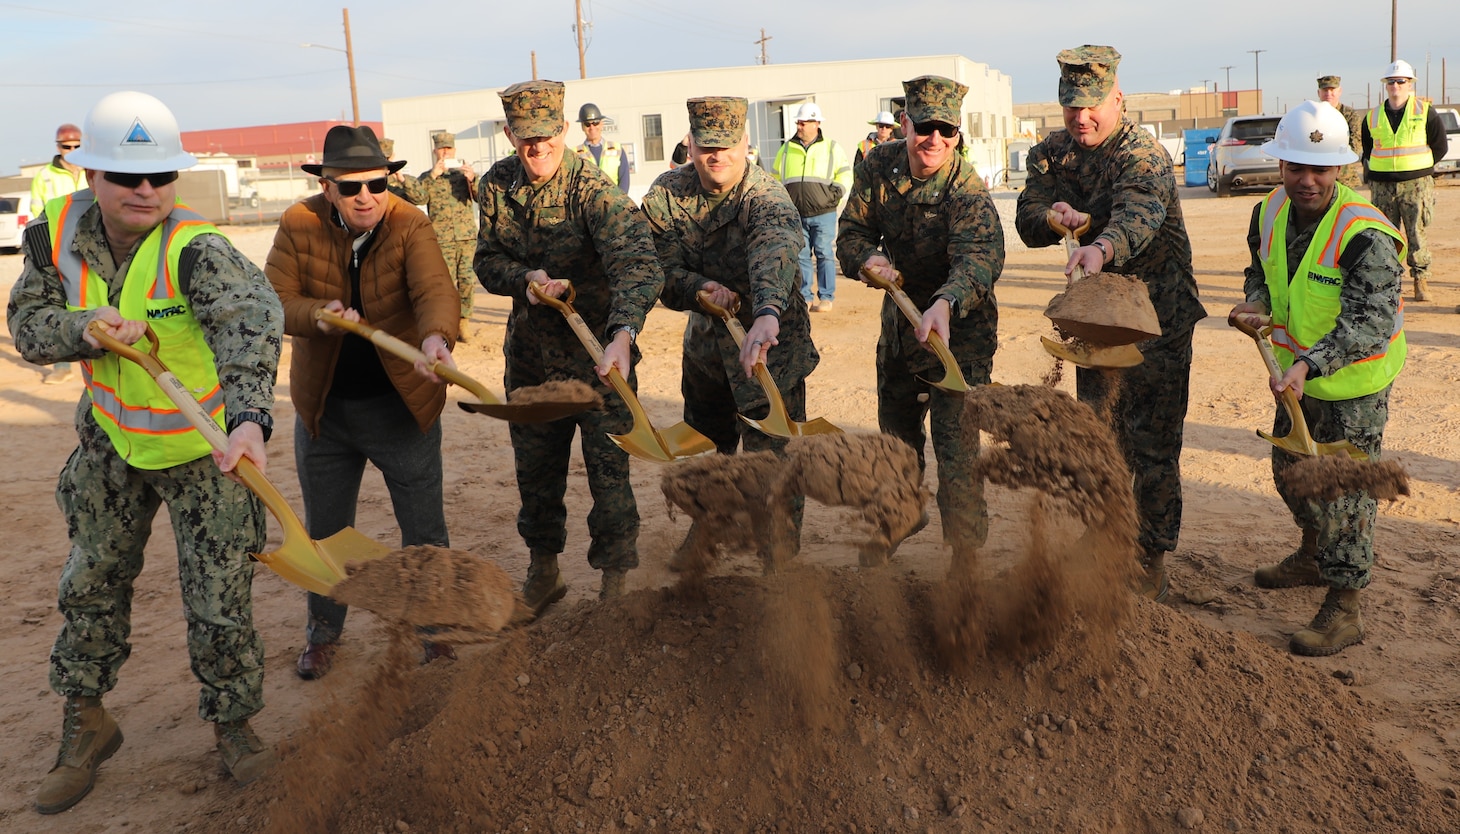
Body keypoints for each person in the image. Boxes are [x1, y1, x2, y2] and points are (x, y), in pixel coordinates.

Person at [7, 91, 283, 811]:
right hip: (111, 436)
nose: (147, 190)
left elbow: (248, 329)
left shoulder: (199, 248)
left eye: (160, 177)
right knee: (90, 585)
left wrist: (251, 421)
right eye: (128, 177)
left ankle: (234, 725)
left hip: (205, 447)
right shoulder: (55, 233)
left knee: (218, 597)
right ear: (91, 174)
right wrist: (82, 326)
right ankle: (87, 724)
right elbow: (29, 328)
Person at [265, 125, 461, 681]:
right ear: (326, 187)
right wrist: (319, 316)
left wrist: (436, 338)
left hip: (403, 410)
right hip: (326, 411)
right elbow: (275, 302)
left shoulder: (409, 223)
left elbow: (434, 291)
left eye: (377, 182)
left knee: (424, 530)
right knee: (326, 534)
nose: (366, 196)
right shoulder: (297, 224)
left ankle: (436, 630)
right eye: (350, 187)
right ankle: (323, 635)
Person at [1014, 46, 1205, 601]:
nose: (1082, 118)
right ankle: (1103, 534)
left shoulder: (1140, 152)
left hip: (1158, 320)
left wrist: (1100, 247)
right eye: (1072, 107)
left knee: (1151, 440)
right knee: (1098, 435)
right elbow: (1028, 213)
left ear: (1118, 99)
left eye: (1094, 106)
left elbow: (1139, 214)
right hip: (1097, 321)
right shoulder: (1052, 154)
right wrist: (1052, 217)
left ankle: (1148, 553)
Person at [475, 80, 665, 611]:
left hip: (599, 358)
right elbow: (486, 261)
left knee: (609, 473)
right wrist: (525, 278)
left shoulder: (594, 190)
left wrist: (624, 333)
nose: (536, 149)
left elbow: (639, 266)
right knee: (535, 470)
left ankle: (615, 583)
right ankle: (544, 570)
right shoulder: (496, 186)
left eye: (546, 136)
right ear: (510, 134)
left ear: (562, 130)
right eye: (525, 138)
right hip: (532, 361)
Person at [1229, 100, 1406, 656]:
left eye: (1320, 169)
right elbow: (1260, 272)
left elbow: (1370, 320)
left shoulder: (1365, 233)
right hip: (1296, 377)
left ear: (1340, 170)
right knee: (1290, 473)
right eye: (1296, 167)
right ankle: (1312, 554)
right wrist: (1254, 303)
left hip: (1352, 381)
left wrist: (1308, 365)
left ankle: (1344, 608)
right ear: (1279, 164)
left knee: (1343, 494)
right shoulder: (1267, 214)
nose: (1307, 181)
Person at [641, 96, 819, 565]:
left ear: (745, 144)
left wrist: (766, 310)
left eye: (726, 146)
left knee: (773, 463)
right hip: (706, 353)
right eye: (705, 146)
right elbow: (656, 264)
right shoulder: (666, 194)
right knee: (706, 452)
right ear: (691, 145)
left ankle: (779, 563)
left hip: (770, 347)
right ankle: (704, 537)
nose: (716, 156)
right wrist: (698, 288)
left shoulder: (765, 194)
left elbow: (775, 248)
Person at [837, 75, 1003, 566]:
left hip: (960, 334)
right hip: (901, 329)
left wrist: (946, 302)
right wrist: (867, 260)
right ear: (905, 123)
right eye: (924, 127)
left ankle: (965, 562)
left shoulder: (967, 189)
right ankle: (899, 517)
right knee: (896, 441)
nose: (934, 140)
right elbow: (850, 232)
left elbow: (979, 259)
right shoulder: (877, 167)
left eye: (946, 131)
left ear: (957, 134)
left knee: (957, 454)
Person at [1360, 59, 1447, 304]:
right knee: (1384, 235)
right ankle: (1389, 283)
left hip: (1416, 183)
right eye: (1391, 82)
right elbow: (1368, 150)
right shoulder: (1373, 116)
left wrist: (1420, 170)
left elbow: (1440, 146)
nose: (1395, 85)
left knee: (1416, 233)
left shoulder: (1424, 111)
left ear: (1410, 84)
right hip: (1382, 185)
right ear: (1385, 86)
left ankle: (1421, 280)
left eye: (1401, 81)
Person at [774, 102, 852, 312]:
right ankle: (805, 297)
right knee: (801, 255)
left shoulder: (831, 147)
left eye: (804, 122)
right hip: (796, 213)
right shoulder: (786, 149)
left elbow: (845, 175)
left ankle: (826, 297)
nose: (800, 126)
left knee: (825, 253)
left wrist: (833, 196)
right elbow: (774, 177)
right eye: (799, 122)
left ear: (816, 123)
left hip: (824, 212)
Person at [399, 132, 479, 338]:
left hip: (466, 237)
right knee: (445, 283)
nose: (445, 152)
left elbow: (481, 197)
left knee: (467, 281)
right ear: (435, 151)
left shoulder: (463, 175)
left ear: (454, 150)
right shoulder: (428, 177)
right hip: (442, 238)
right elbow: (418, 197)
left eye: (449, 148)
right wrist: (432, 175)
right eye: (442, 148)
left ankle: (464, 321)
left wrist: (473, 179)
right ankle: (447, 321)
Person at [30, 123, 87, 384]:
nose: (72, 150)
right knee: (59, 300)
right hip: (57, 246)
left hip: (92, 245)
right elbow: (36, 216)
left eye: (77, 146)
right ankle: (62, 366)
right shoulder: (44, 177)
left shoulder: (93, 171)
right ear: (58, 147)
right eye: (67, 146)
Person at [1316, 76, 1364, 189]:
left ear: (1339, 91)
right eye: (1325, 90)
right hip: (1318, 178)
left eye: (1332, 90)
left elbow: (1355, 146)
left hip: (1344, 179)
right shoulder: (1313, 116)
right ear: (1319, 93)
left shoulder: (1350, 115)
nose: (1328, 93)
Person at [575, 103, 632, 193]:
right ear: (582, 126)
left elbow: (624, 181)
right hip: (587, 205)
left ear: (602, 124)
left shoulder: (617, 149)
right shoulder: (575, 154)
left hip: (614, 203)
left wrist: (619, 203)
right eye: (587, 124)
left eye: (595, 123)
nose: (592, 127)